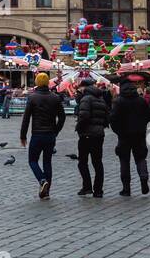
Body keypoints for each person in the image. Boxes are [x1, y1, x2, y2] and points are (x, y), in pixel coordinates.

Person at [19, 72, 64, 200]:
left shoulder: (32, 98)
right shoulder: (55, 97)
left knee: (33, 161)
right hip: (50, 135)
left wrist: (23, 136)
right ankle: (46, 192)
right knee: (47, 162)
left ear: (37, 83)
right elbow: (62, 117)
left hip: (37, 135)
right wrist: (56, 131)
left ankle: (42, 180)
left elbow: (26, 119)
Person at [110, 76, 150, 196]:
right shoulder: (140, 100)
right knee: (140, 158)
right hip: (139, 135)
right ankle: (144, 178)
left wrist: (118, 131)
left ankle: (126, 188)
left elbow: (113, 119)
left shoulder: (119, 101)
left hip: (124, 136)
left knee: (124, 160)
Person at [75, 77, 108, 198]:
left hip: (86, 135)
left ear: (85, 87)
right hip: (99, 135)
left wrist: (78, 127)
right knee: (97, 162)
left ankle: (87, 187)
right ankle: (98, 190)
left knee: (82, 162)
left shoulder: (86, 98)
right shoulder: (101, 99)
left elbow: (84, 116)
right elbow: (106, 116)